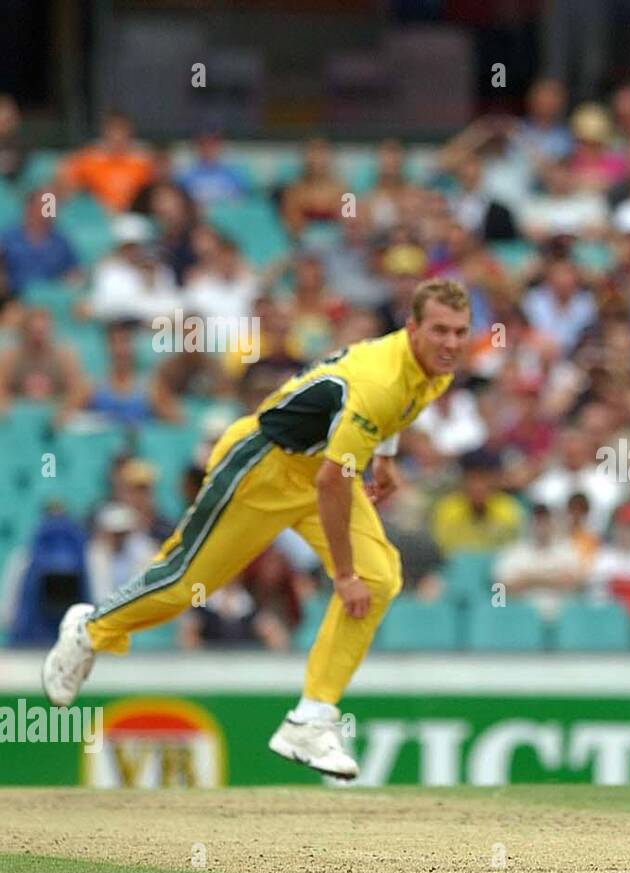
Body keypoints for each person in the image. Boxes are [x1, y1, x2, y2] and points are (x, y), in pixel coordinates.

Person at [41, 278, 472, 780]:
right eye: (439, 330)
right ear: (412, 327)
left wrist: (388, 458)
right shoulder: (380, 379)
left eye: (461, 332)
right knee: (184, 584)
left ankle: (310, 718)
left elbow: (394, 415)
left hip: (318, 468)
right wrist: (343, 573)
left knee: (381, 578)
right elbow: (337, 480)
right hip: (263, 467)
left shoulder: (434, 368)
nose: (451, 343)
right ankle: (90, 629)